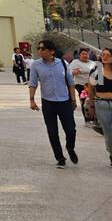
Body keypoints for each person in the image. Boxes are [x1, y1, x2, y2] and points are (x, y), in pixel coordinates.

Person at [27, 38, 79, 168]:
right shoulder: (36, 65)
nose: (39, 51)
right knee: (52, 132)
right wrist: (32, 100)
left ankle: (70, 147)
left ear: (51, 51)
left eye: (42, 48)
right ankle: (60, 157)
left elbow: (71, 83)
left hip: (64, 102)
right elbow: (32, 83)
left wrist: (73, 100)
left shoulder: (62, 64)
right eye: (38, 48)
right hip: (48, 103)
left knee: (71, 130)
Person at [68, 47, 101, 123]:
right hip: (81, 85)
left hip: (92, 85)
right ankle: (87, 120)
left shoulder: (93, 63)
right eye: (83, 54)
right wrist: (87, 71)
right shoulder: (75, 62)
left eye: (86, 54)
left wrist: (81, 71)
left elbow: (98, 74)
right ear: (79, 55)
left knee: (93, 101)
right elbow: (70, 73)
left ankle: (95, 118)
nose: (85, 55)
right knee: (84, 101)